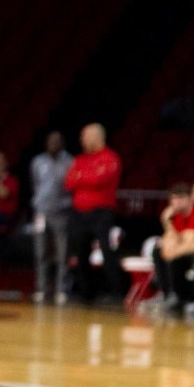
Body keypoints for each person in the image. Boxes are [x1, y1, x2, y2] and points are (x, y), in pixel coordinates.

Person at [64, 123, 123, 303]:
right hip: (79, 213)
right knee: (80, 254)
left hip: (101, 213)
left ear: (97, 137)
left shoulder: (110, 158)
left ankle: (116, 293)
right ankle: (86, 293)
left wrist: (81, 176)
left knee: (107, 252)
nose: (82, 140)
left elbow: (100, 180)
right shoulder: (79, 159)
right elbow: (68, 183)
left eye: (85, 136)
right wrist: (87, 176)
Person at [154, 180, 194, 313]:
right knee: (159, 250)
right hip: (193, 248)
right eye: (174, 199)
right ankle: (168, 294)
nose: (176, 202)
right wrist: (166, 222)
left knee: (177, 254)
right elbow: (172, 238)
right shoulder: (178, 216)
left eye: (180, 198)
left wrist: (175, 248)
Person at [29, 131, 73, 303]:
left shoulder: (69, 162)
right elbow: (35, 184)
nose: (53, 145)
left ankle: (62, 289)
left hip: (62, 212)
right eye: (50, 142)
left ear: (62, 144)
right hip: (41, 211)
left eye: (57, 142)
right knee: (41, 251)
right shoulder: (38, 162)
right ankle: (42, 288)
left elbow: (71, 186)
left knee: (63, 252)